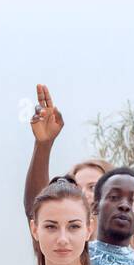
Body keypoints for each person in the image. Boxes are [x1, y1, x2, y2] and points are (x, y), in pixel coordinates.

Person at [21, 83, 112, 213]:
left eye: (93, 187)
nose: (84, 194)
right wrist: (43, 144)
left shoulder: (131, 232)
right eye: (76, 189)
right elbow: (36, 209)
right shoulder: (62, 231)